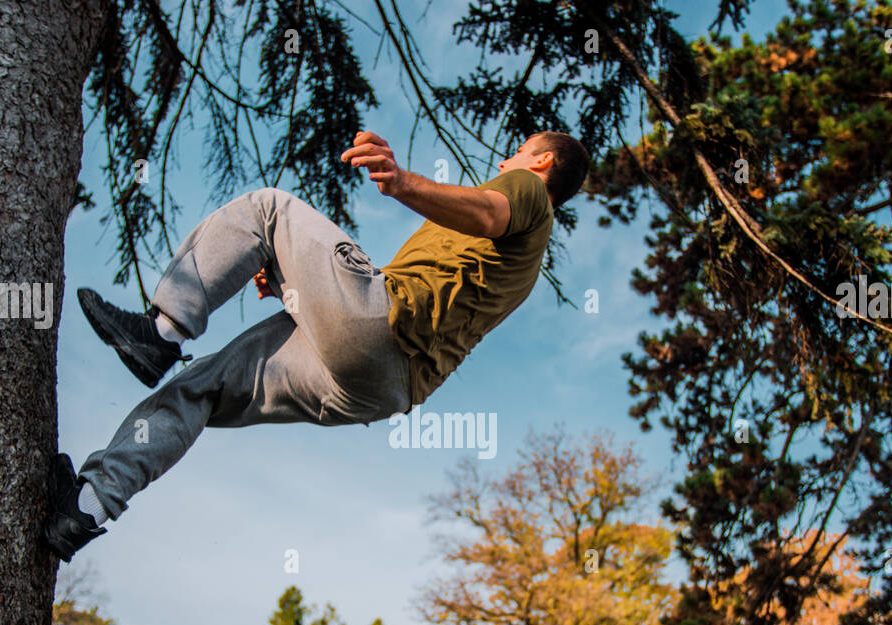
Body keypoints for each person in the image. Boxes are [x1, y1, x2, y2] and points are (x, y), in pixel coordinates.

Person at [45, 129, 589, 561]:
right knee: (201, 389)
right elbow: (378, 296)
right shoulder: (521, 263)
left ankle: (161, 333)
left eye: (516, 154)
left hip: (383, 324)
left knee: (268, 206)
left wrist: (401, 183)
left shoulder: (527, 197)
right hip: (376, 389)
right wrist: (286, 279)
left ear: (541, 164)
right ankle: (85, 509)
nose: (502, 164)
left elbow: (488, 212)